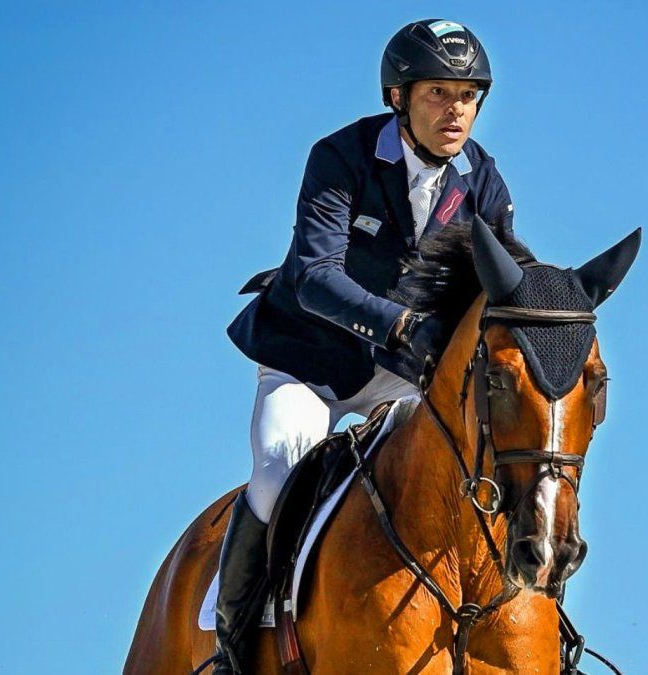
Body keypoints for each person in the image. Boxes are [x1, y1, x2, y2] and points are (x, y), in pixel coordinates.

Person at [209, 19, 516, 674]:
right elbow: (315, 277)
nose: (455, 111)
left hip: (403, 375)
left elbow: (501, 283)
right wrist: (403, 326)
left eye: (467, 96)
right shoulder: (340, 157)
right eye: (438, 93)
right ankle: (232, 645)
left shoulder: (482, 181)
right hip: (309, 359)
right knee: (274, 473)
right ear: (398, 97)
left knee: (465, 473)